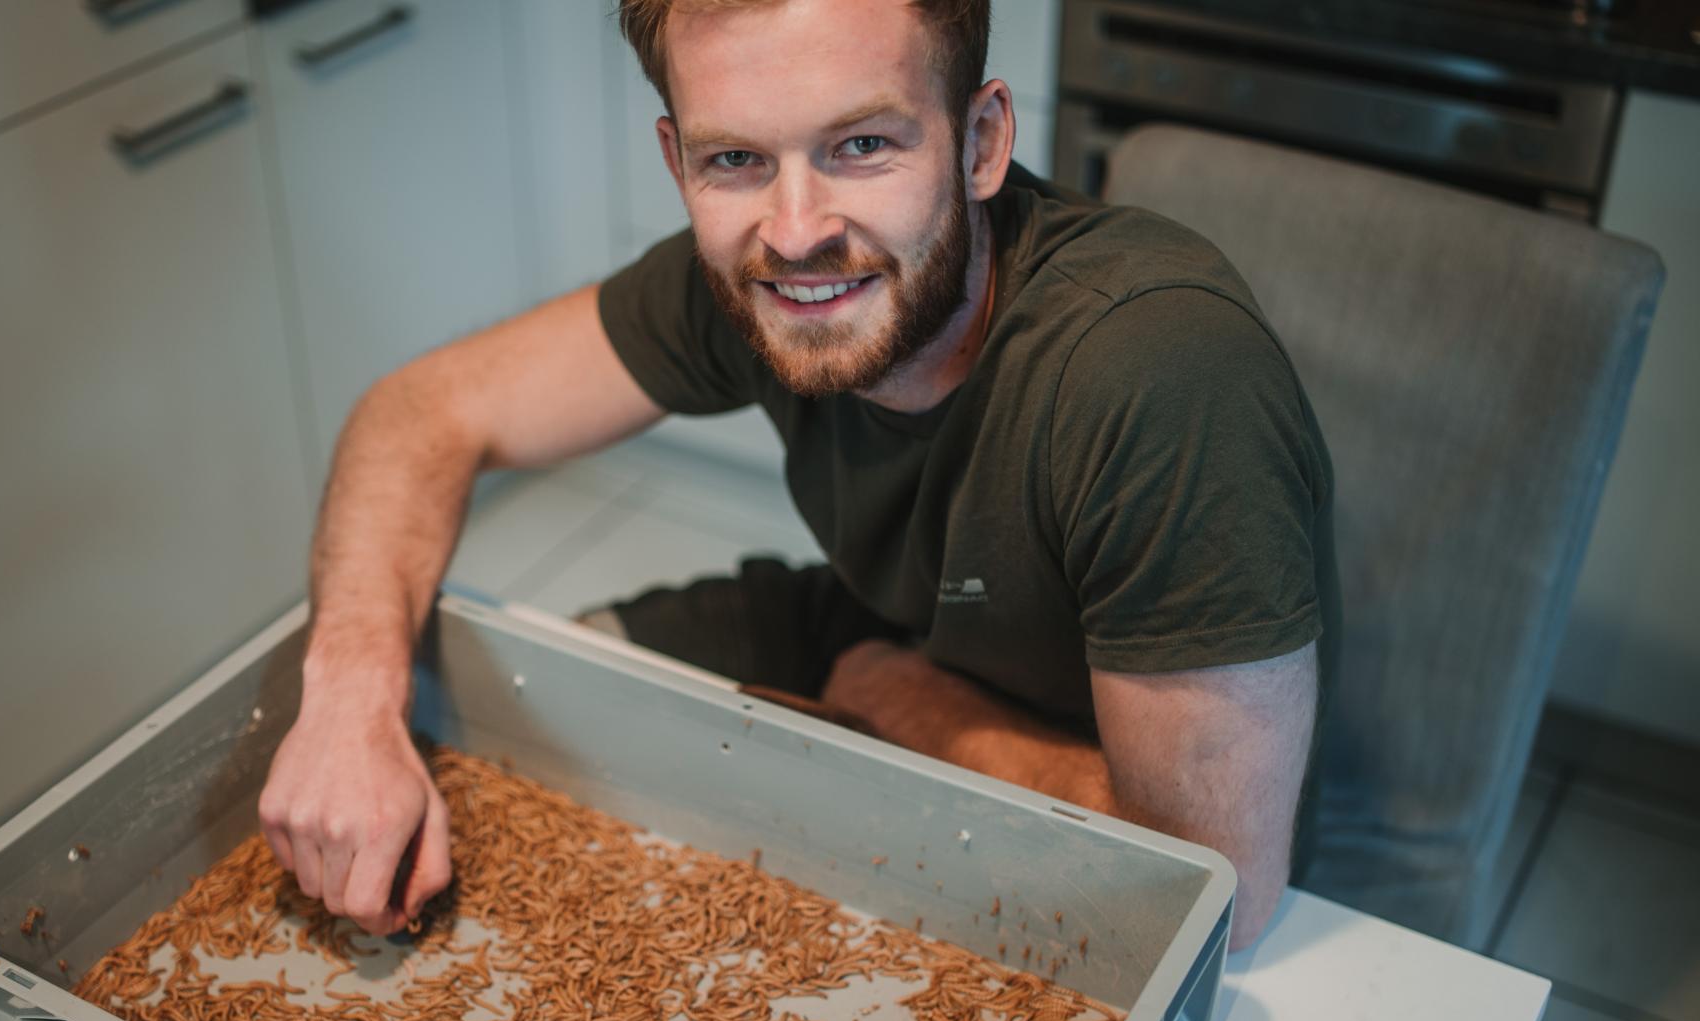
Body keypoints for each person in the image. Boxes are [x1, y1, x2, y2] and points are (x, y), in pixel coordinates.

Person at [257, 0, 1339, 953]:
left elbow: (1219, 890)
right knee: (495, 721)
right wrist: (349, 708)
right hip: (868, 634)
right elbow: (422, 411)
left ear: (980, 142)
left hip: (1046, 742)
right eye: (734, 159)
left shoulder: (1159, 369)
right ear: (677, 161)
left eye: (861, 144)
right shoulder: (752, 270)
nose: (794, 234)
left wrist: (903, 702)